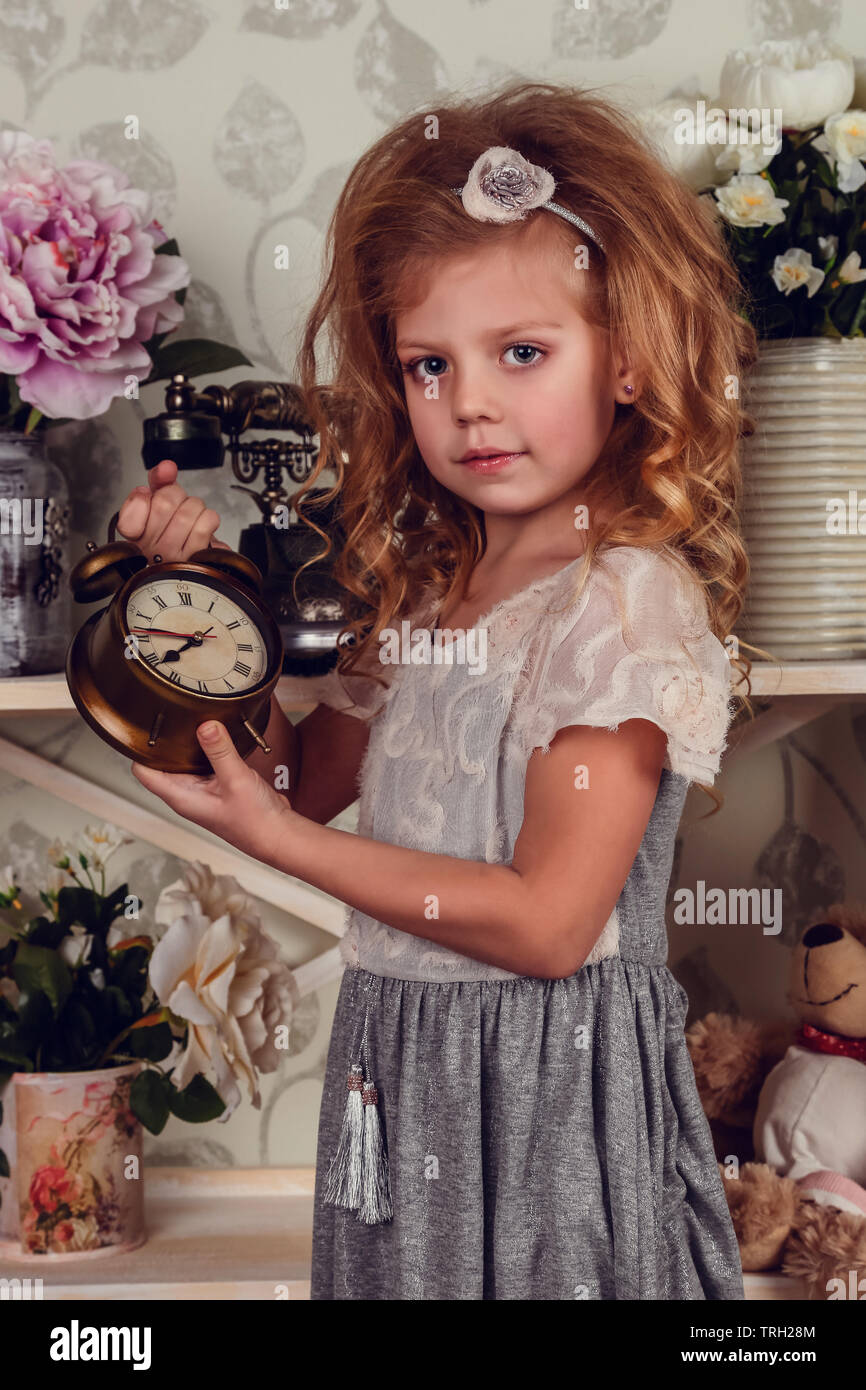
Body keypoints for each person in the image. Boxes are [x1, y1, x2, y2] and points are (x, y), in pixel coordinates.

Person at [117, 81, 757, 1299]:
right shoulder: (425, 593)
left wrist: (281, 845)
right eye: (427, 364)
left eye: (522, 352)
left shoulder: (620, 601)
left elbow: (546, 924)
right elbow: (292, 777)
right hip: (400, 1082)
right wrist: (190, 603)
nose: (468, 402)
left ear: (624, 360)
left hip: (540, 1104)